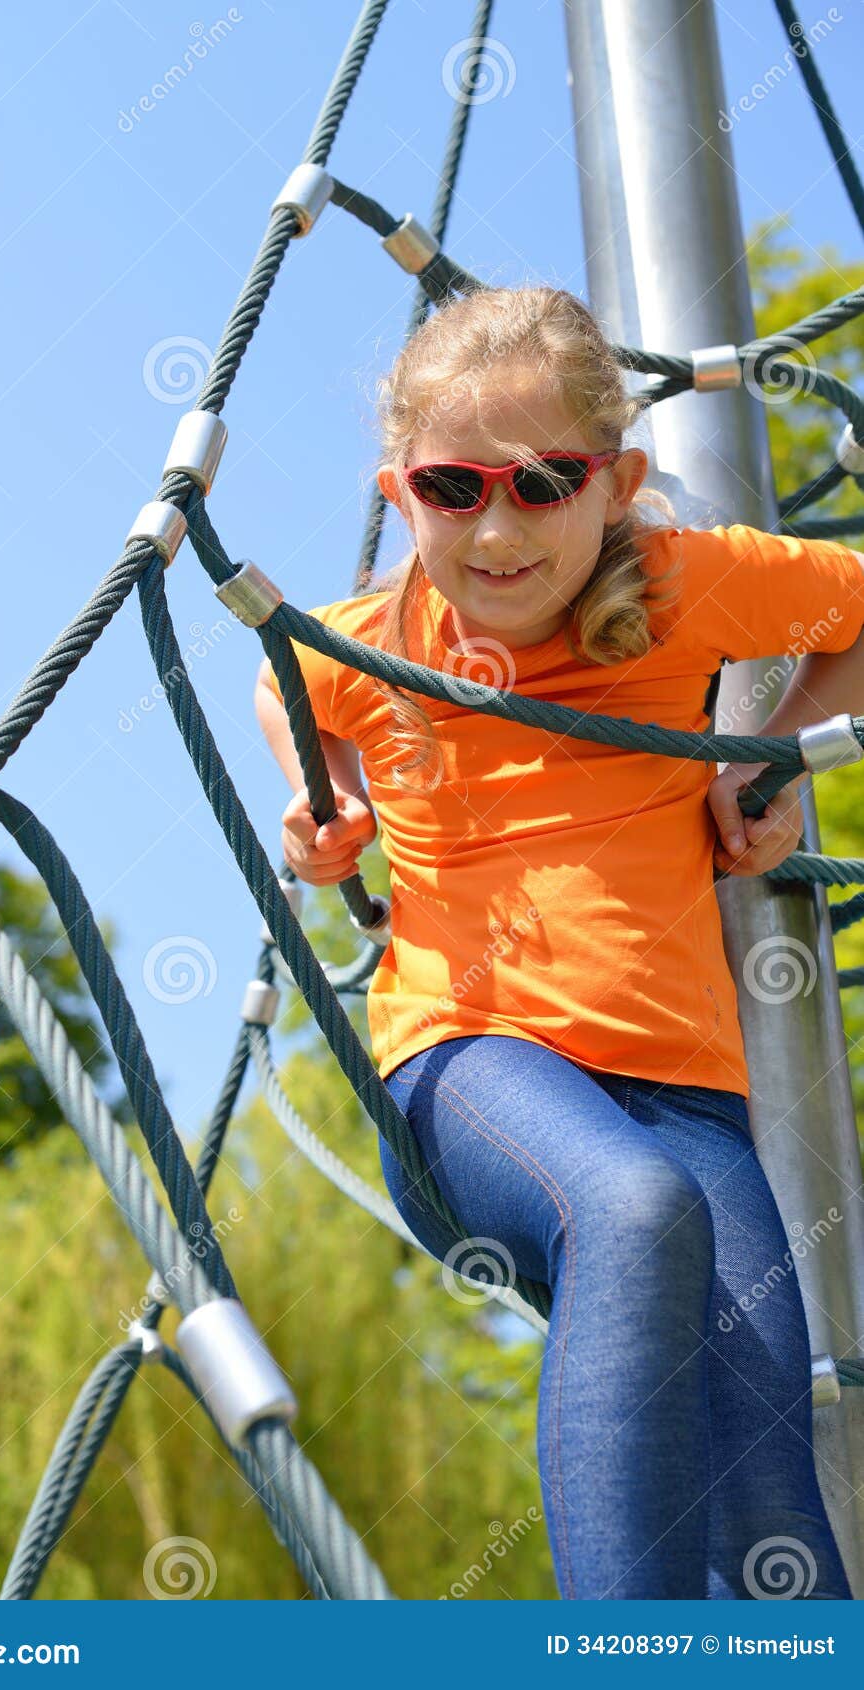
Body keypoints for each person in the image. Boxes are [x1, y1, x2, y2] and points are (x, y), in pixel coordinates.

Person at [254, 285, 861, 1600]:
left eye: (542, 483)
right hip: (470, 1066)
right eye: (451, 487)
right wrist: (326, 802)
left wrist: (765, 758)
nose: (497, 527)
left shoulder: (689, 587)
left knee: (774, 1530)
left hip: (686, 1092)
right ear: (400, 493)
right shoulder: (378, 647)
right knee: (633, 1211)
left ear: (618, 483)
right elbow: (285, 687)